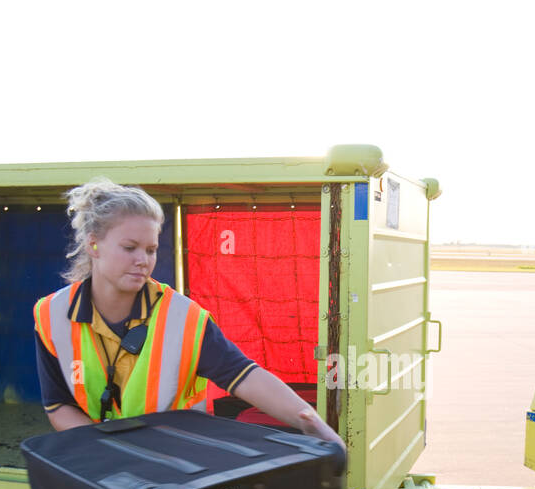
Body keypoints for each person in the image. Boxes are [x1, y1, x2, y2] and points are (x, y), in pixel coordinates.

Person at [33, 178, 343, 448]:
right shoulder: (51, 314)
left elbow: (244, 376)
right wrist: (108, 454)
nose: (143, 260)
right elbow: (58, 404)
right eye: (130, 247)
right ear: (93, 245)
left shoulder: (183, 319)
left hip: (177, 467)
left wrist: (312, 423)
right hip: (103, 469)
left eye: (151, 250)